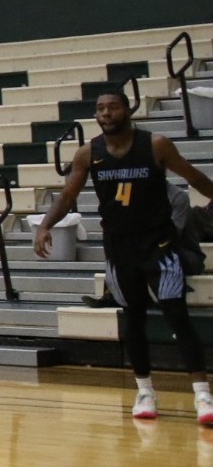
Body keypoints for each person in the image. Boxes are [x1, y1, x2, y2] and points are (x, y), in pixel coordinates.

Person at [35, 90, 213, 425]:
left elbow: (194, 178)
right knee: (133, 320)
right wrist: (45, 225)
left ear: (127, 110)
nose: (106, 112)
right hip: (120, 250)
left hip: (159, 247)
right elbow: (68, 194)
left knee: (178, 316)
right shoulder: (88, 153)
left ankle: (202, 395)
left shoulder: (156, 145)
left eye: (112, 106)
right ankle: (145, 390)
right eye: (100, 108)